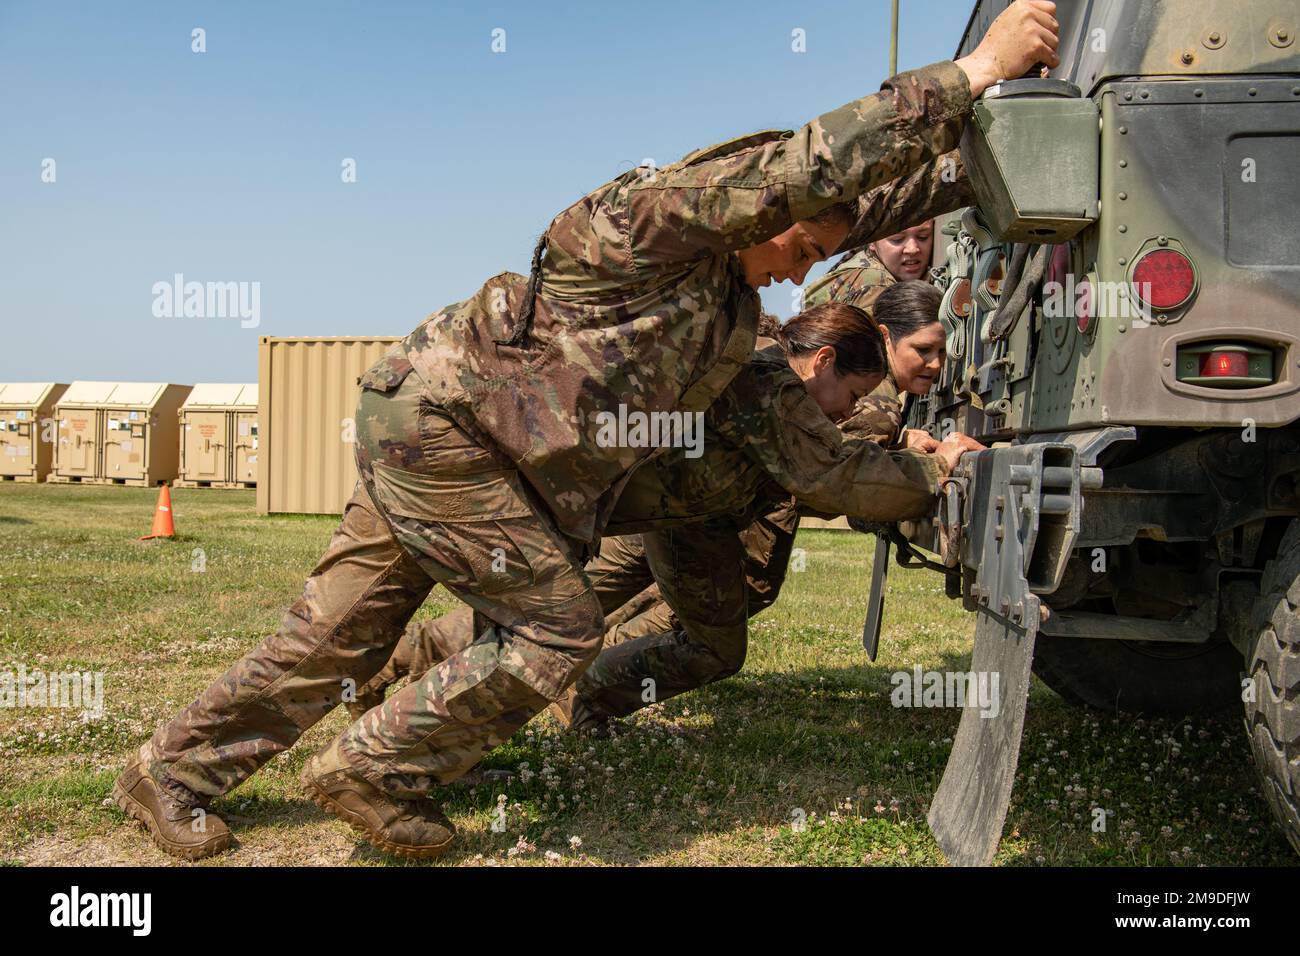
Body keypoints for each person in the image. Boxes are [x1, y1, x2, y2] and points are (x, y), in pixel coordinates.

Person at [112, 2, 1060, 861]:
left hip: (452, 436)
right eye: (799, 250)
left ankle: (172, 771)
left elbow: (846, 205)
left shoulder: (723, 288)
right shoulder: (644, 224)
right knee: (558, 630)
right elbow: (807, 169)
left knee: (339, 636)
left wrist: (980, 154)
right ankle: (373, 769)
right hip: (447, 430)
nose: (794, 274)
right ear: (758, 213)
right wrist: (972, 71)